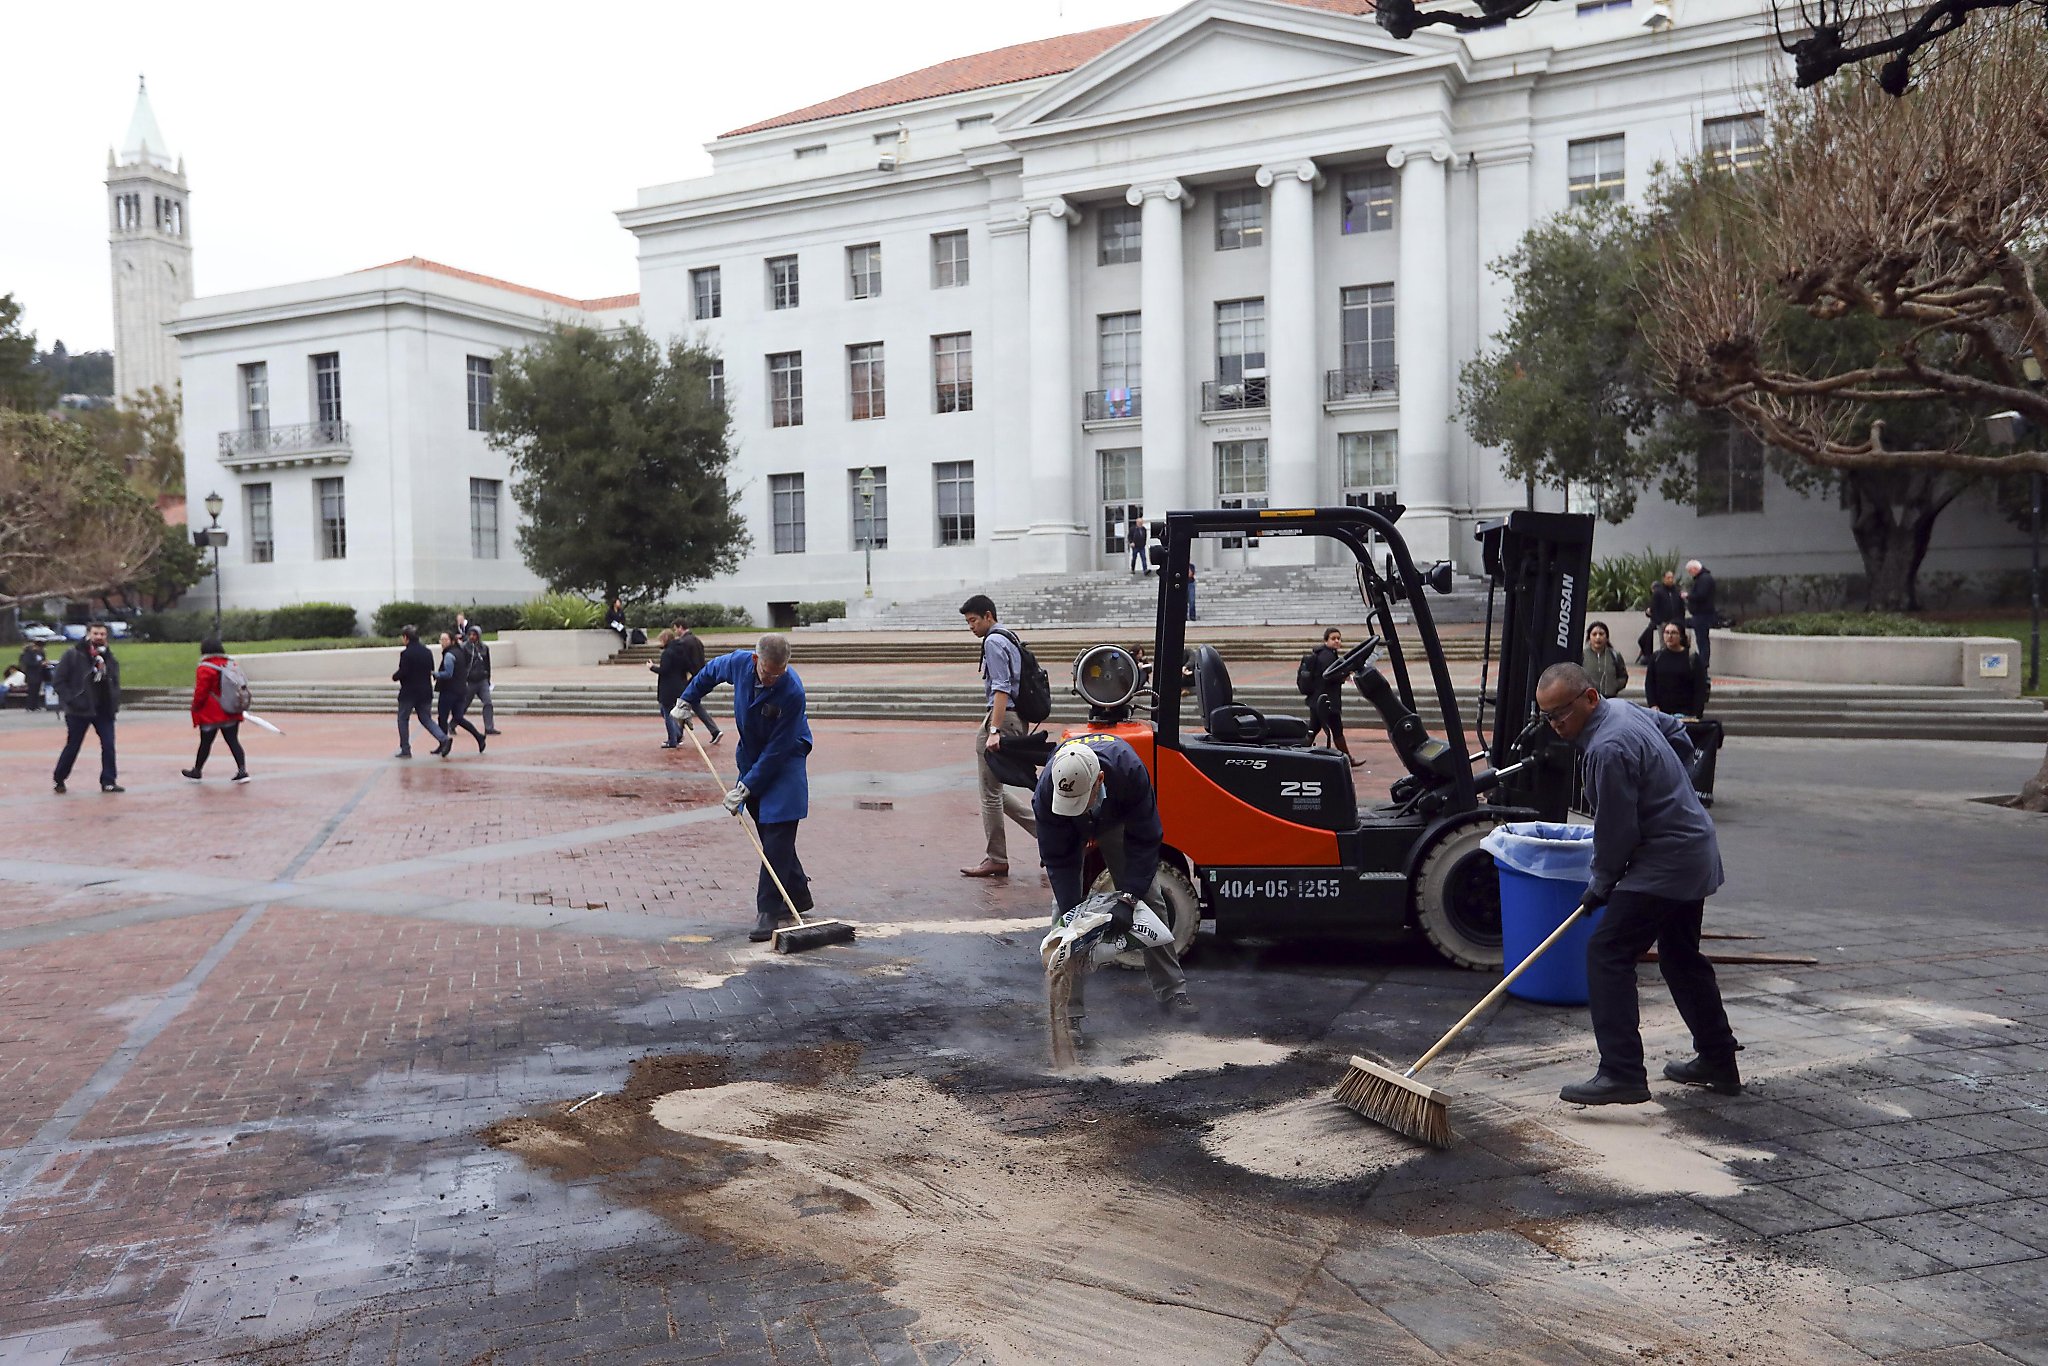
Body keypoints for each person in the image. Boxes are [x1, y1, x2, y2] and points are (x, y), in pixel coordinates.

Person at [1533, 661, 1739, 1105]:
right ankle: (1719, 1061)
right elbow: (1677, 731)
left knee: (1607, 952)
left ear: (1589, 697)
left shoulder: (1607, 747)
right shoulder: (1624, 712)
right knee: (1681, 957)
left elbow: (1615, 830)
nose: (1555, 725)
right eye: (1547, 717)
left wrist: (1601, 882)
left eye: (1560, 714)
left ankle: (1622, 1071)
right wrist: (1676, 786)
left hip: (1667, 861)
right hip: (1692, 849)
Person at [1034, 734, 1196, 1051]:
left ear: (1100, 780)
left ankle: (1172, 992)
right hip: (1064, 827)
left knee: (1150, 897)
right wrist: (1073, 916)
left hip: (1115, 818)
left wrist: (1129, 897)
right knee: (1063, 921)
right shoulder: (1049, 792)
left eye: (1083, 800)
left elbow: (1145, 840)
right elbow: (1058, 859)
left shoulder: (1129, 770)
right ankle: (1070, 1015)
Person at [674, 633, 814, 942]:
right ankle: (799, 892)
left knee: (778, 827)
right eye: (769, 672)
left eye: (781, 672)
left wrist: (747, 786)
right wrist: (687, 698)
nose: (775, 679)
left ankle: (767, 911)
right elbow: (710, 672)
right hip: (751, 755)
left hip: (785, 759)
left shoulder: (792, 691)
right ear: (756, 661)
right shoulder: (739, 663)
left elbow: (778, 748)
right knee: (766, 827)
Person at [959, 594, 1037, 878]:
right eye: (968, 622)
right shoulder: (1009, 636)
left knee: (989, 794)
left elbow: (1001, 688)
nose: (971, 627)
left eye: (974, 620)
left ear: (988, 615)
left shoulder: (993, 641)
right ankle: (1049, 836)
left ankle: (996, 858)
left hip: (1002, 719)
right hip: (1016, 718)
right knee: (996, 791)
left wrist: (993, 730)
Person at [51, 623, 122, 794]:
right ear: (89, 634)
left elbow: (115, 681)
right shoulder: (73, 654)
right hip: (79, 709)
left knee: (108, 745)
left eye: (103, 634)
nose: (99, 637)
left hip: (104, 709)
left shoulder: (109, 657)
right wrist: (72, 700)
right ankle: (60, 777)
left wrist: (114, 701)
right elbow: (59, 681)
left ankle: (108, 781)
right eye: (96, 633)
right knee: (73, 745)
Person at [182, 636, 250, 783]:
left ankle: (197, 770)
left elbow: (201, 692)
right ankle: (242, 770)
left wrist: (195, 707)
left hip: (210, 712)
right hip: (231, 708)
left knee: (205, 743)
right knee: (233, 741)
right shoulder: (230, 664)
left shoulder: (205, 668)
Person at [656, 618, 721, 749]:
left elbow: (683, 663)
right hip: (699, 677)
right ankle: (711, 730)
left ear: (680, 627)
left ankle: (679, 735)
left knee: (684, 707)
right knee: (692, 705)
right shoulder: (696, 640)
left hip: (690, 681)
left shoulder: (683, 643)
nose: (676, 632)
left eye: (676, 628)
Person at [1306, 627, 1366, 767]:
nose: (1337, 641)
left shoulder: (1328, 654)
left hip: (1322, 700)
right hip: (1325, 701)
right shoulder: (1326, 656)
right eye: (1333, 638)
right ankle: (1296, 753)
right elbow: (1330, 675)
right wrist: (1344, 675)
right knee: (1321, 729)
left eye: (1338, 638)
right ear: (1326, 640)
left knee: (1327, 729)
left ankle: (1348, 759)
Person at [392, 625, 448, 758]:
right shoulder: (427, 652)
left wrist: (395, 676)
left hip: (409, 692)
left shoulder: (406, 653)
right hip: (425, 690)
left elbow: (403, 672)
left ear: (406, 637)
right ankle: (443, 738)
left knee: (403, 719)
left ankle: (405, 748)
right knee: (426, 719)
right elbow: (431, 669)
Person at [1644, 623, 1710, 718]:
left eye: (1674, 633)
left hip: (1686, 713)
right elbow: (1650, 684)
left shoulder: (1692, 658)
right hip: (1662, 713)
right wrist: (1653, 705)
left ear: (1681, 636)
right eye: (1667, 633)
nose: (1670, 636)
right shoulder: (1656, 658)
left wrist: (1696, 712)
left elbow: (1699, 687)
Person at [436, 631, 486, 754]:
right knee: (458, 717)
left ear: (451, 641)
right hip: (461, 690)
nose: (442, 642)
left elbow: (448, 674)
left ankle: (443, 743)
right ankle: (479, 737)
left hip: (449, 691)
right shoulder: (460, 652)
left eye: (444, 639)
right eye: (441, 640)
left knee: (442, 718)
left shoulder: (449, 655)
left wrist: (435, 674)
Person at [1640, 570, 1685, 665]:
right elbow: (1654, 608)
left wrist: (1680, 620)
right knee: (1664, 645)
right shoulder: (1658, 593)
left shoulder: (1676, 592)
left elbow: (1681, 607)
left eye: (1672, 578)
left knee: (1676, 643)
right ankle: (1666, 664)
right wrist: (1659, 621)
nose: (1670, 580)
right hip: (1663, 622)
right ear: (1664, 579)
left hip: (1676, 622)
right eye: (1668, 578)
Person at [464, 625, 500, 735]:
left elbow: (487, 665)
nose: (472, 637)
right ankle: (452, 724)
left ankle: (489, 727)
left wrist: (488, 678)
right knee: (464, 704)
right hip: (470, 681)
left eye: (474, 635)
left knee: (488, 703)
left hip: (482, 680)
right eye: (470, 634)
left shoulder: (484, 648)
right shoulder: (464, 648)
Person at [1683, 558, 1717, 673]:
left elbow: (1701, 595)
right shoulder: (1704, 578)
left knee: (1702, 640)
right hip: (1701, 614)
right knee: (1701, 640)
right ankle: (1703, 664)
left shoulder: (1704, 580)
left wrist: (1688, 596)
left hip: (1702, 614)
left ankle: (1703, 665)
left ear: (1694, 569)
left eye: (1690, 571)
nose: (1690, 574)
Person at [1582, 621, 1628, 699]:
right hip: (1588, 699)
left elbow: (1623, 676)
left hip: (1610, 699)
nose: (1598, 637)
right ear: (1589, 637)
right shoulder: (1582, 655)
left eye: (1601, 634)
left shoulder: (1615, 655)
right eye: (1594, 634)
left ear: (1607, 637)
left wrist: (1614, 686)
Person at [17, 640, 48, 712]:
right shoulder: (28, 653)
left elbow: (43, 659)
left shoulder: (41, 652)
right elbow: (29, 663)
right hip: (31, 674)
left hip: (39, 674)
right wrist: (40, 663)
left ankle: (36, 705)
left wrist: (45, 663)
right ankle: (30, 706)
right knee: (31, 690)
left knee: (37, 690)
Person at [1126, 505, 1148, 574]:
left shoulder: (1144, 529)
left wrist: (1144, 543)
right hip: (1135, 546)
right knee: (1134, 558)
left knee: (1143, 558)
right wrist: (1131, 542)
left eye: (1141, 522)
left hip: (1142, 546)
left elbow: (1145, 536)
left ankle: (1145, 570)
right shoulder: (1133, 529)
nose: (1141, 524)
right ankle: (1132, 569)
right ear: (1137, 523)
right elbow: (1129, 536)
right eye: (1139, 523)